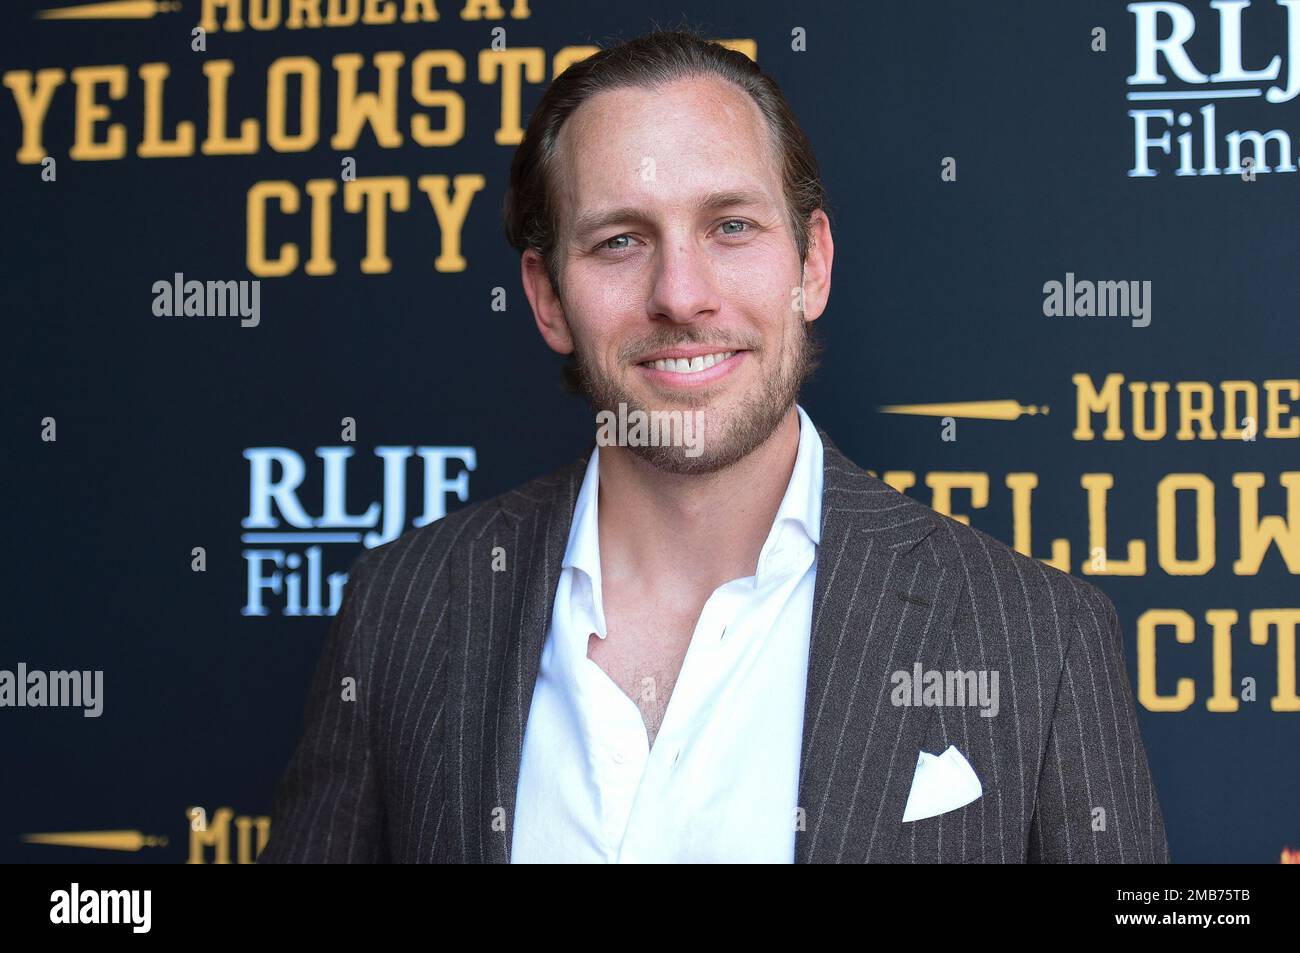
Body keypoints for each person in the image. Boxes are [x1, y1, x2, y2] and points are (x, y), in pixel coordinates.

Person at [259, 29, 1168, 864]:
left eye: (730, 226)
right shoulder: (403, 611)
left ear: (810, 263)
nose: (682, 295)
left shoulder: (1038, 638)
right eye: (621, 240)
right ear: (545, 298)